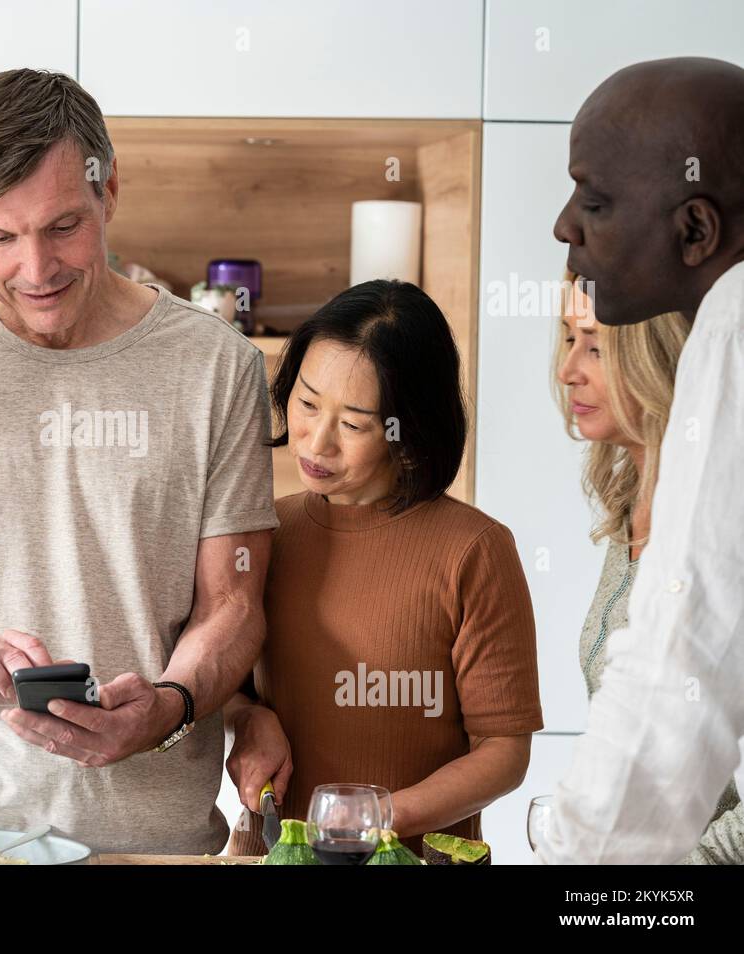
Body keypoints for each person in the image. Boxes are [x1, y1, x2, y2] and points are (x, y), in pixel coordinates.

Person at [0, 69, 277, 855]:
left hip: (147, 840)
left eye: (64, 226)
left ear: (109, 195)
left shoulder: (218, 365)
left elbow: (233, 604)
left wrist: (169, 705)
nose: (36, 272)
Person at [225, 280, 542, 857]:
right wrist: (248, 719)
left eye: (353, 423)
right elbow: (225, 683)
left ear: (408, 428)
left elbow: (503, 750)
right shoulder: (260, 531)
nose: (316, 442)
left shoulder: (475, 550)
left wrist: (377, 818)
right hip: (270, 853)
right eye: (307, 402)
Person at [539, 56, 744, 864]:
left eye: (594, 200)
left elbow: (679, 666)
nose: (564, 225)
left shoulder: (734, 329)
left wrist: (584, 884)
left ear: (696, 230)